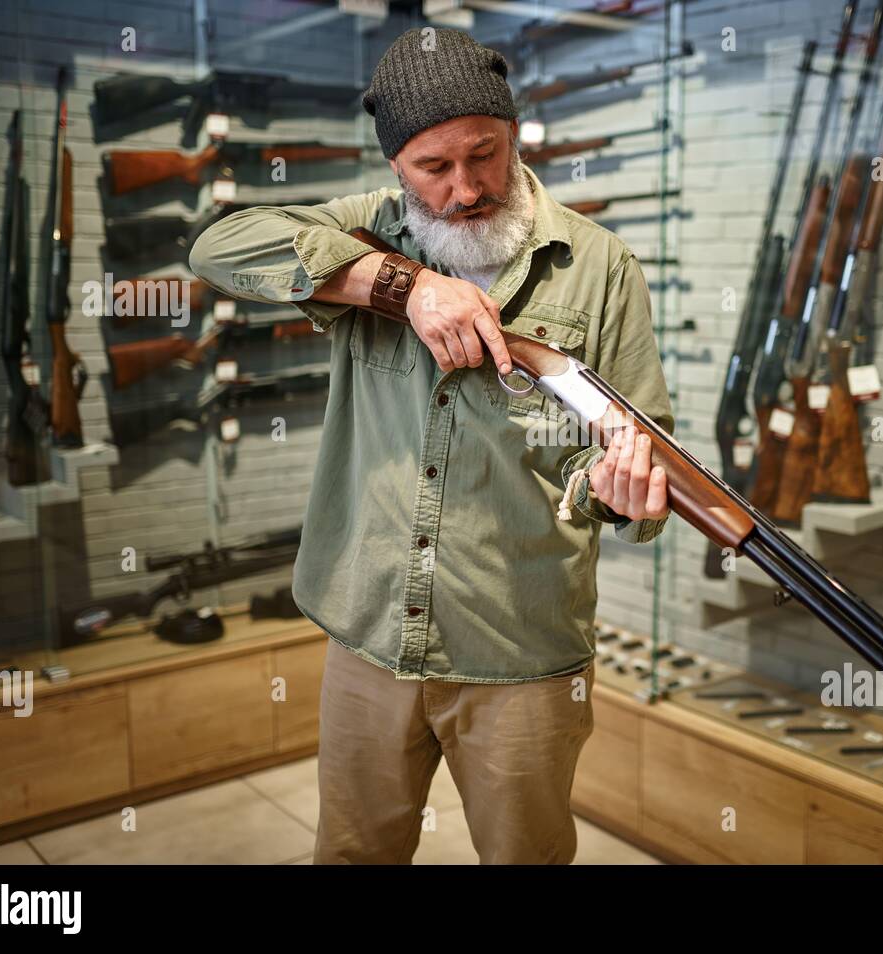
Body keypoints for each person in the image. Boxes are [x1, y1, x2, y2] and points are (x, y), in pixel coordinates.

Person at [189, 25, 675, 864]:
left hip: (521, 648)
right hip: (369, 631)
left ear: (514, 134)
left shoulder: (601, 266)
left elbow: (629, 460)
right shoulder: (368, 228)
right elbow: (216, 249)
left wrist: (621, 488)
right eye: (433, 168)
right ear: (395, 169)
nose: (464, 189)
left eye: (483, 155)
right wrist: (404, 288)